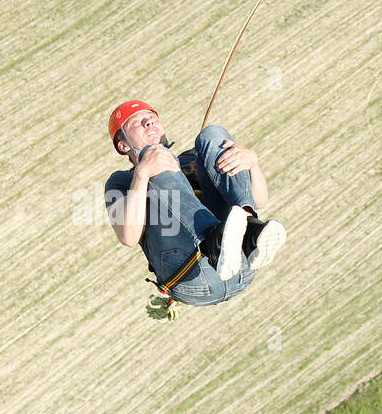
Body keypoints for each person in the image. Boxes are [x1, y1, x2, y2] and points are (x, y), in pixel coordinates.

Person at [103, 100, 286, 307]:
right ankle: (216, 245)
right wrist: (142, 173)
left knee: (213, 134)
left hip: (242, 263)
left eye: (152, 118)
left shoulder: (195, 158)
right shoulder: (120, 183)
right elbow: (128, 237)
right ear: (123, 145)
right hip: (190, 274)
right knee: (155, 157)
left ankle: (251, 232)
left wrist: (252, 163)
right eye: (136, 122)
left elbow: (259, 200)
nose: (148, 122)